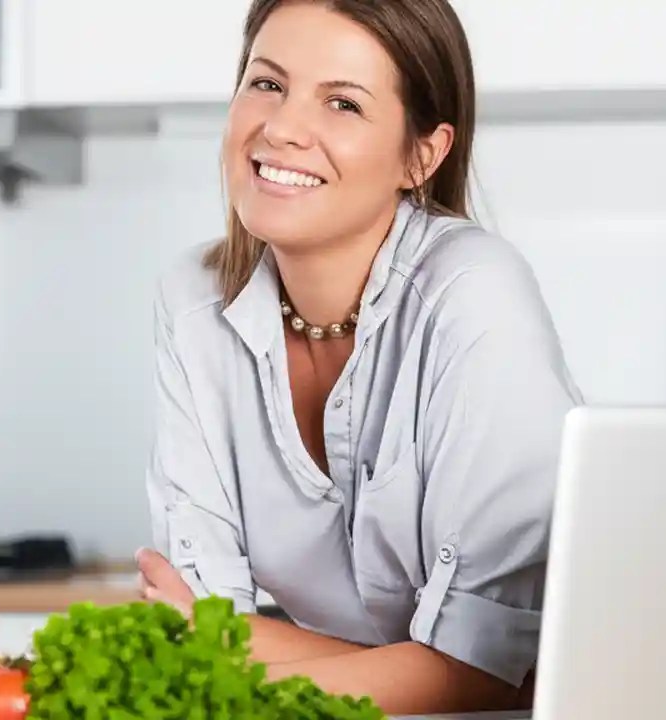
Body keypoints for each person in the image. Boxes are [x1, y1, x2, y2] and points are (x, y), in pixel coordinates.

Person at [135, 0, 583, 715]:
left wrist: (227, 684)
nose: (281, 128)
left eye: (342, 102)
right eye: (267, 83)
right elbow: (196, 622)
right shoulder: (194, 302)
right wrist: (417, 667)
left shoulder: (471, 292)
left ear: (421, 155)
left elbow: (486, 669)